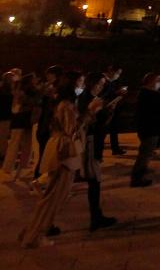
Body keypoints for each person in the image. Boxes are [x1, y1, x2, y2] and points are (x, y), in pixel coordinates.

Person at [19, 99, 101, 248]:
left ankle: (31, 232)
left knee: (49, 201)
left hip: (60, 162)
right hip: (63, 163)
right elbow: (72, 128)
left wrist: (89, 113)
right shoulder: (65, 114)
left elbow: (76, 126)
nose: (76, 113)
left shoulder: (58, 117)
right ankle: (35, 236)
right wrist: (90, 111)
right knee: (51, 202)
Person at [77, 72, 119, 230]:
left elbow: (101, 123)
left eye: (102, 85)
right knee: (94, 181)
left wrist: (109, 111)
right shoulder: (85, 98)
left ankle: (97, 215)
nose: (100, 87)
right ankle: (95, 217)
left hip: (95, 141)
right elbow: (85, 122)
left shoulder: (93, 98)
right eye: (98, 84)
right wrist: (94, 112)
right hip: (90, 142)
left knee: (95, 182)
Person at [130, 72, 160, 187]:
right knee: (145, 155)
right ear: (151, 82)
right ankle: (137, 178)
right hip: (150, 128)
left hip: (147, 128)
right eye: (157, 81)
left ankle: (140, 175)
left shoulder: (144, 94)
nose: (158, 84)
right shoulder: (149, 95)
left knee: (146, 153)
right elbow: (159, 109)